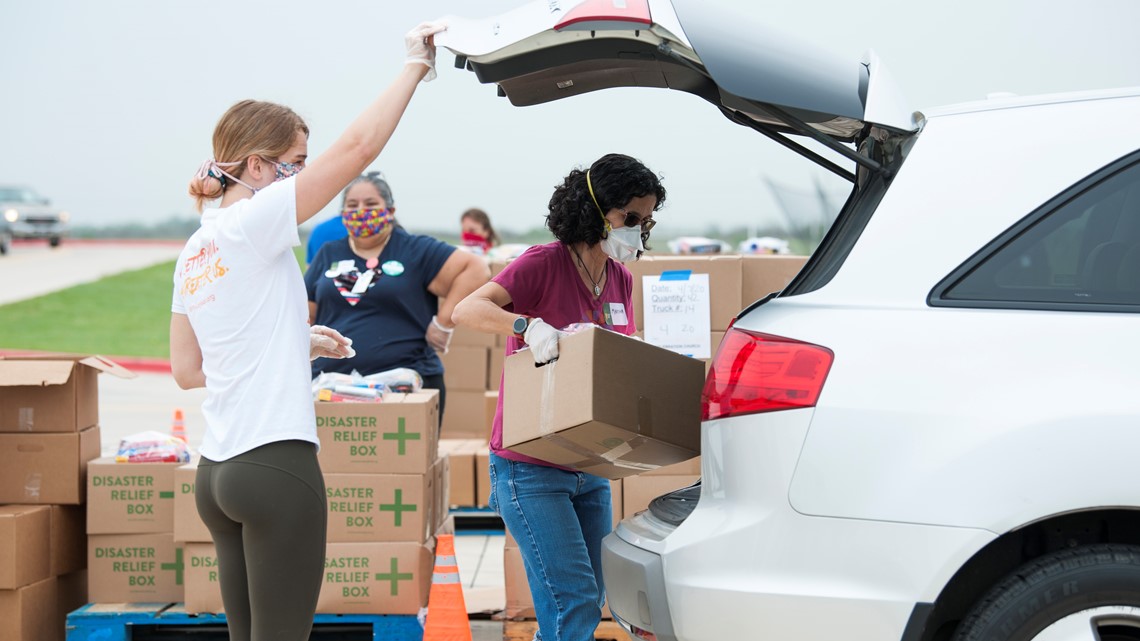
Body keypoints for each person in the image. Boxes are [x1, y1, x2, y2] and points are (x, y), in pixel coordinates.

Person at [168, 22, 445, 641]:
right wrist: (414, 68)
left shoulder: (197, 246)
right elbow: (357, 151)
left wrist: (293, 343)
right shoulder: (256, 219)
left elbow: (190, 369)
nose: (303, 177)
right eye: (295, 164)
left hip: (217, 472)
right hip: (273, 464)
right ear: (259, 166)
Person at [452, 153, 666, 641]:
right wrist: (526, 327)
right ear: (596, 209)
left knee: (587, 597)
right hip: (529, 466)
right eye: (629, 218)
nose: (636, 229)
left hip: (587, 465)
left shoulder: (620, 279)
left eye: (645, 220)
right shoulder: (542, 264)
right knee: (572, 600)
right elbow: (468, 308)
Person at [305, 172, 489, 419]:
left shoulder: (415, 249)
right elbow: (304, 312)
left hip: (406, 388)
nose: (361, 211)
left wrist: (443, 323)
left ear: (390, 210)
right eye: (352, 206)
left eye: (371, 205)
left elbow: (476, 269)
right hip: (332, 389)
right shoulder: (329, 254)